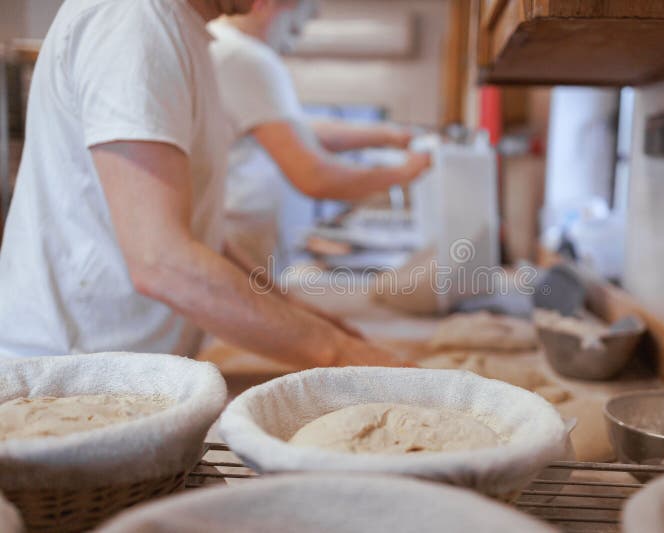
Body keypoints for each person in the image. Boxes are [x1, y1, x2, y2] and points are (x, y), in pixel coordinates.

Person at [0, 0, 404, 368]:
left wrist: (305, 316)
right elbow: (161, 260)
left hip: (122, 369)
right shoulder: (132, 19)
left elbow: (201, 234)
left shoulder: (184, 32)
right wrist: (345, 355)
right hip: (70, 373)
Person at [208, 0, 431, 271]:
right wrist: (404, 173)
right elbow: (314, 176)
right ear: (267, 5)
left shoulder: (224, 47)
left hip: (236, 235)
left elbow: (297, 131)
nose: (298, 35)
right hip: (236, 239)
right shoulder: (245, 57)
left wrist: (390, 136)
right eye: (296, 23)